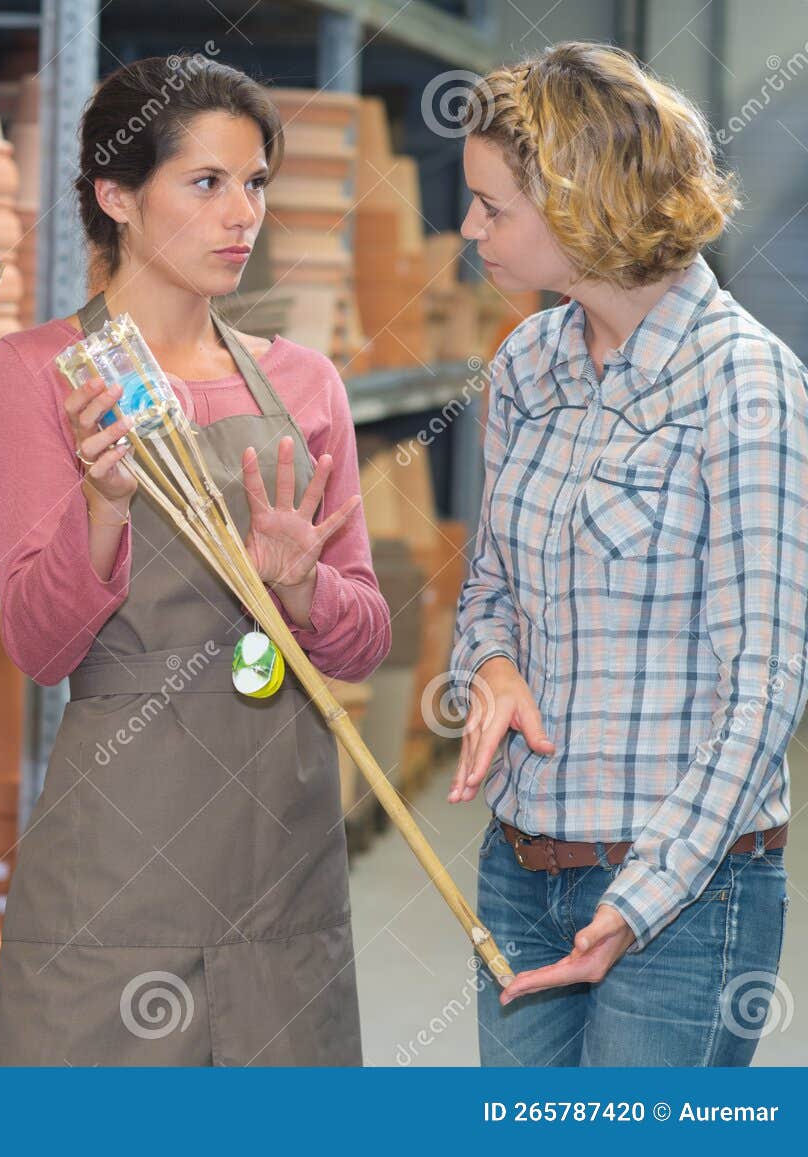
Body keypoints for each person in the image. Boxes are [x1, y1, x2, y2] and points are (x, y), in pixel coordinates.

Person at [0, 55, 391, 1066]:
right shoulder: (35, 374)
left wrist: (301, 584)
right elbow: (36, 642)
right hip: (120, 845)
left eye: (254, 184)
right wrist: (105, 506)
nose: (240, 214)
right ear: (116, 194)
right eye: (205, 184)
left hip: (280, 846)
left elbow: (365, 637)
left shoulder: (303, 383)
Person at [448, 41, 808, 1066]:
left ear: (580, 204)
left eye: (492, 206)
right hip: (520, 874)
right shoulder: (527, 363)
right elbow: (487, 589)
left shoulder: (741, 385)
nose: (469, 227)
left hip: (686, 900)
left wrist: (639, 898)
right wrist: (493, 662)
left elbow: (765, 683)